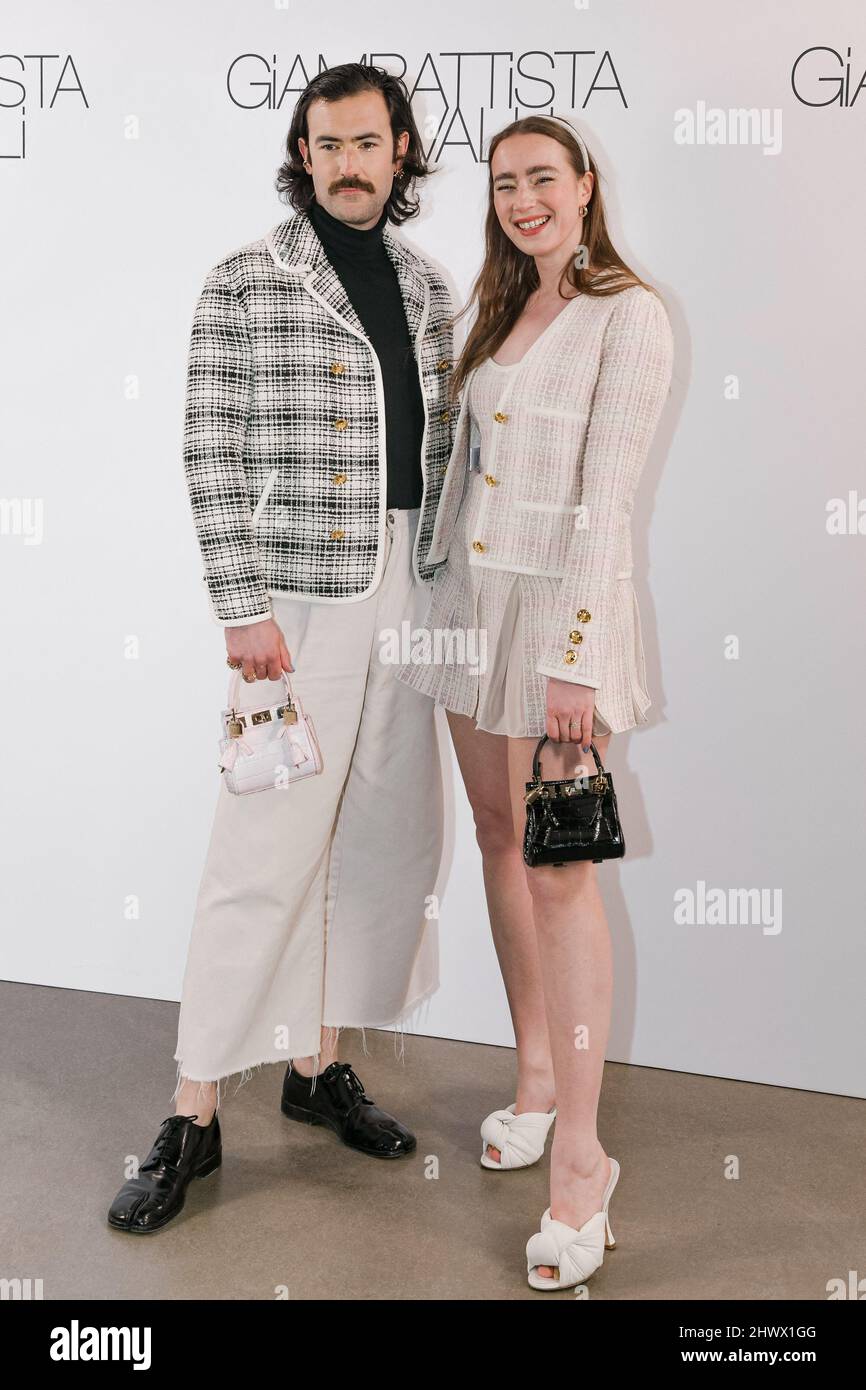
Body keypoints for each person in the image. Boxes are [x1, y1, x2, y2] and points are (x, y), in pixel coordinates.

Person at [107, 63, 456, 1234]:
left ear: (401, 151)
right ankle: (193, 1104)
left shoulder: (423, 285)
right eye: (327, 145)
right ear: (301, 155)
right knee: (263, 844)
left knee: (376, 842)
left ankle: (314, 1064)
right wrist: (239, 605)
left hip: (408, 588)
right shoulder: (245, 283)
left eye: (368, 143)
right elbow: (210, 454)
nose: (348, 163)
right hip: (297, 606)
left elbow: (441, 453)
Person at [396, 114, 675, 1289]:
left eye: (541, 179)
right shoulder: (486, 315)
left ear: (584, 185)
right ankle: (535, 1077)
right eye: (504, 183)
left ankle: (581, 1160)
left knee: (563, 876)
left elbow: (603, 505)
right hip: (469, 612)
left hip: (558, 624)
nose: (522, 200)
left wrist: (579, 660)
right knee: (501, 840)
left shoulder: (631, 317)